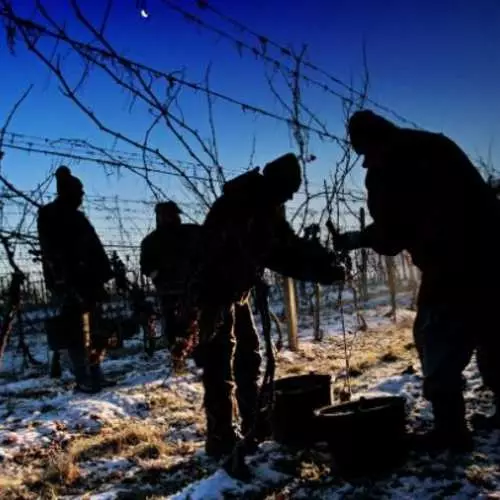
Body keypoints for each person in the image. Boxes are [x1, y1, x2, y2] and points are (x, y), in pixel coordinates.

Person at [335, 109, 500, 452]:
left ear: (372, 144)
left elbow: (392, 236)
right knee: (493, 333)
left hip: (451, 267)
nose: (365, 162)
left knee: (434, 338)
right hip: (494, 255)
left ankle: (451, 431)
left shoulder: (388, 170)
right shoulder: (436, 145)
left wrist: (356, 239)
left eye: (364, 153)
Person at [193, 153, 345, 460]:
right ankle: (220, 437)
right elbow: (276, 253)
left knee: (248, 356)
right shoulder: (245, 203)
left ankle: (253, 422)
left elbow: (286, 245)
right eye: (289, 189)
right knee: (219, 363)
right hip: (214, 292)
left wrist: (321, 264)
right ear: (277, 182)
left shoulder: (265, 204)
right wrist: (316, 267)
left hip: (237, 291)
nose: (290, 196)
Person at [38, 166, 115, 393]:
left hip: (89, 281)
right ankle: (83, 378)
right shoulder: (51, 214)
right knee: (76, 333)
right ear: (67, 192)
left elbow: (94, 248)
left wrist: (103, 274)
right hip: (71, 281)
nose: (82, 196)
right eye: (79, 192)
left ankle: (96, 373)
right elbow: (51, 252)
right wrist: (62, 280)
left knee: (95, 329)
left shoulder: (77, 217)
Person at [140, 201, 201, 360]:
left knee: (196, 321)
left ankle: (196, 351)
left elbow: (208, 246)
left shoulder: (191, 232)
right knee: (173, 326)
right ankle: (178, 356)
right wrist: (158, 276)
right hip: (168, 290)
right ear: (159, 217)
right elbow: (146, 266)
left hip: (194, 287)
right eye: (168, 215)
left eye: (174, 214)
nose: (172, 218)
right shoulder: (151, 241)